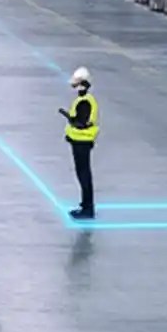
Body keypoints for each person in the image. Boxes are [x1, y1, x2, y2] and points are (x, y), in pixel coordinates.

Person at [59, 67, 98, 220]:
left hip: (82, 142)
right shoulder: (83, 100)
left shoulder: (86, 102)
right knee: (82, 173)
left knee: (84, 174)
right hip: (79, 141)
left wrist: (70, 119)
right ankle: (85, 205)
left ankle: (88, 208)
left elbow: (82, 122)